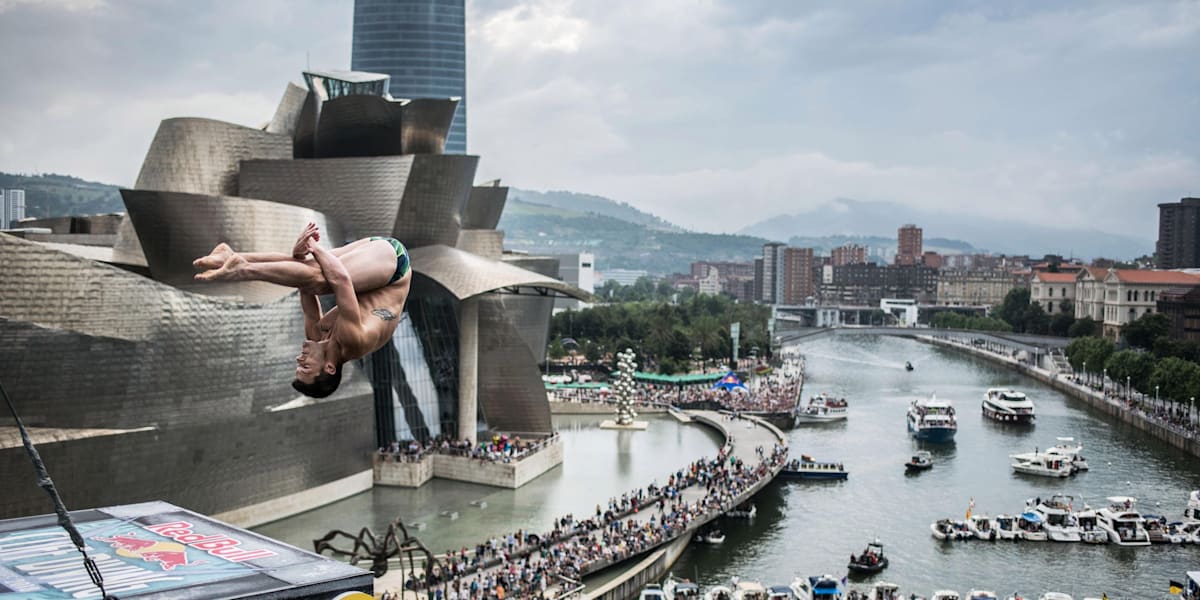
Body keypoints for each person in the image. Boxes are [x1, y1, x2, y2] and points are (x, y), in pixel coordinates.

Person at [193, 223, 411, 397]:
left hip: (371, 262)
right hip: (393, 267)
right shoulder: (355, 340)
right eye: (306, 368)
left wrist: (299, 255)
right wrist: (314, 248)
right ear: (329, 368)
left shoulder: (317, 337)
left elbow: (304, 287)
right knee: (322, 280)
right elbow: (341, 280)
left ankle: (230, 256)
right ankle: (243, 269)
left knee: (312, 272)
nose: (300, 360)